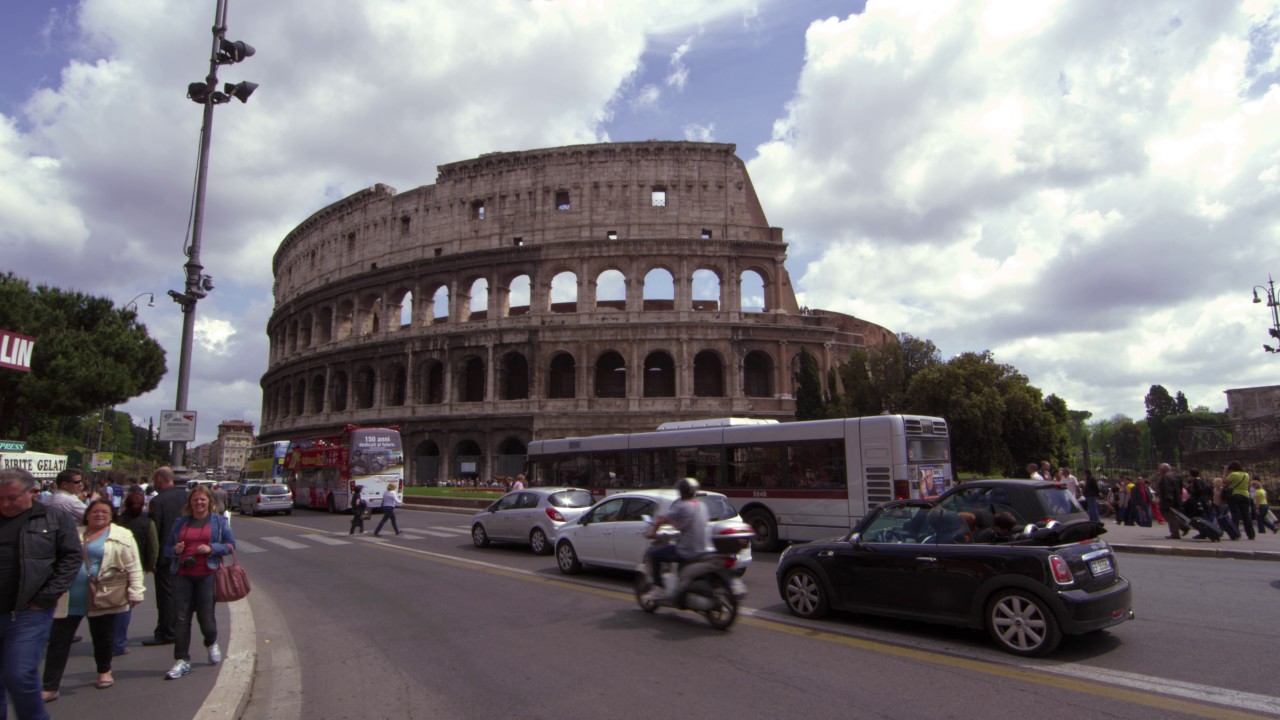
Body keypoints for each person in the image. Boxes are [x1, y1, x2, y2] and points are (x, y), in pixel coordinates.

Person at [0, 468, 83, 720]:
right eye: (0, 497)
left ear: (32, 493)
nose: (5, 504)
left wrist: (47, 597)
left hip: (28, 611)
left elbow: (71, 558)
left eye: (12, 498)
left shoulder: (54, 518)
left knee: (19, 673)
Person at [41, 499, 144, 699]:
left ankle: (104, 671)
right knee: (58, 641)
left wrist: (136, 590)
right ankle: (50, 686)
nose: (99, 515)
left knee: (102, 637)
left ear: (111, 515)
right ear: (87, 515)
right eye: (95, 511)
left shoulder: (123, 535)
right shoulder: (73, 534)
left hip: (104, 593)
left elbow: (133, 564)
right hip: (70, 595)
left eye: (104, 512)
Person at [161, 485, 235, 680]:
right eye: (195, 500)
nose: (199, 503)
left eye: (203, 500)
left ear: (209, 502)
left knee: (206, 617)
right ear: (190, 503)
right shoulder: (180, 522)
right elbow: (167, 549)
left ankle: (211, 641)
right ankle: (182, 659)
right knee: (181, 618)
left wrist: (212, 548)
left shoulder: (219, 521)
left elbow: (230, 546)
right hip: (182, 573)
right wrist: (175, 551)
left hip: (207, 573)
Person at [641, 478, 711, 603]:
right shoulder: (702, 505)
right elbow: (688, 523)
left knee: (653, 555)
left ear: (681, 492)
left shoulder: (682, 506)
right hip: (702, 549)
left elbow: (661, 519)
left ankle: (659, 589)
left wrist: (653, 532)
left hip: (686, 551)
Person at [112, 491, 158, 656]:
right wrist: (151, 565)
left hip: (115, 565)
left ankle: (110, 639)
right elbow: (153, 547)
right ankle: (118, 643)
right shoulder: (147, 523)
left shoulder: (117, 521)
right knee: (125, 606)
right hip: (135, 566)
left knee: (112, 603)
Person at [145, 467, 187, 646]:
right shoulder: (186, 496)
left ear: (160, 480)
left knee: (165, 596)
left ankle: (166, 632)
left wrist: (152, 560)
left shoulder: (157, 500)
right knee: (181, 595)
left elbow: (154, 532)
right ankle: (178, 629)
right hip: (186, 553)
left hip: (166, 555)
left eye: (155, 479)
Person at [1222, 461, 1256, 541]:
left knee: (1235, 515)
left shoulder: (1233, 475)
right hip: (1245, 495)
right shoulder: (1246, 475)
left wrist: (1224, 472)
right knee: (1246, 516)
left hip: (1235, 495)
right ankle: (1251, 534)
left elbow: (1224, 482)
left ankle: (1235, 533)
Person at [1155, 463, 1187, 540]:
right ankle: (1183, 527)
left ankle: (1175, 533)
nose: (1159, 471)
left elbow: (1167, 489)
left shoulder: (1165, 477)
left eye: (1160, 469)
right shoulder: (1177, 476)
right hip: (1177, 499)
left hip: (1168, 500)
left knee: (1170, 517)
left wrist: (1168, 500)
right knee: (1173, 516)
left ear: (1163, 469)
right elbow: (1180, 488)